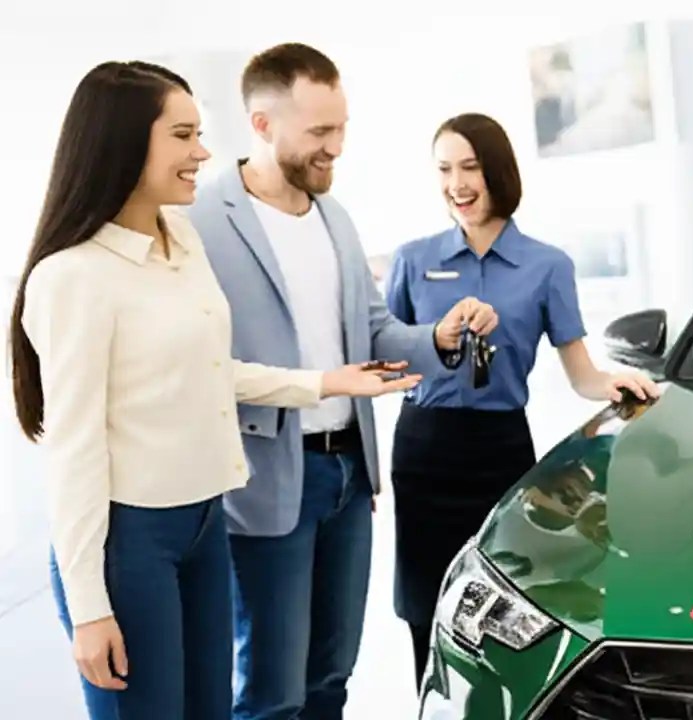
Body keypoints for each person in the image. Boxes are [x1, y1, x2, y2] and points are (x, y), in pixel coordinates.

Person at [10, 60, 422, 720]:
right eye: (182, 135)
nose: (203, 152)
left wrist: (325, 383)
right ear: (122, 141)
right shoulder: (73, 278)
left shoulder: (180, 242)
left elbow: (214, 373)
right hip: (131, 540)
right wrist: (89, 610)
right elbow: (74, 451)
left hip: (206, 522)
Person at [186, 43, 497, 719]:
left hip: (349, 479)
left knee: (332, 675)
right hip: (266, 481)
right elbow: (196, 366)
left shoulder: (336, 218)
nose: (337, 147)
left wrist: (437, 339)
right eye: (320, 132)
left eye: (342, 127)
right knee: (272, 691)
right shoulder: (200, 223)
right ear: (263, 126)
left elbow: (377, 332)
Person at [382, 112, 661, 687]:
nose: (456, 184)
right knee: (426, 602)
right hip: (425, 446)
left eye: (470, 167)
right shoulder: (413, 259)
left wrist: (614, 385)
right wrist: (442, 339)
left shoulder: (547, 265)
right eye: (444, 169)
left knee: (508, 601)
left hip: (500, 445)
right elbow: (389, 363)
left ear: (498, 171)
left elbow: (580, 372)